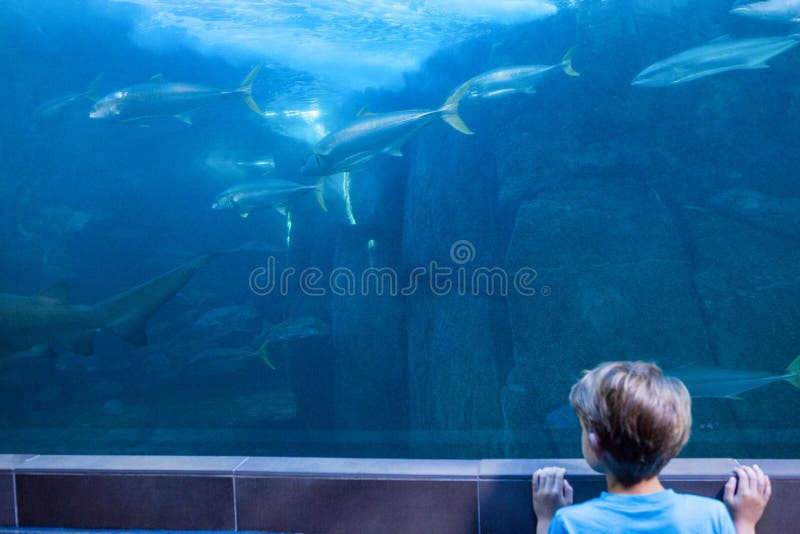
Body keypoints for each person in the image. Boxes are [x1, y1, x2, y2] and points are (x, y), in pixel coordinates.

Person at [532, 360, 771, 534]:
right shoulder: (710, 516)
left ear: (596, 445)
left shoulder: (571, 523)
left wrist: (546, 518)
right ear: (677, 442)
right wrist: (744, 523)